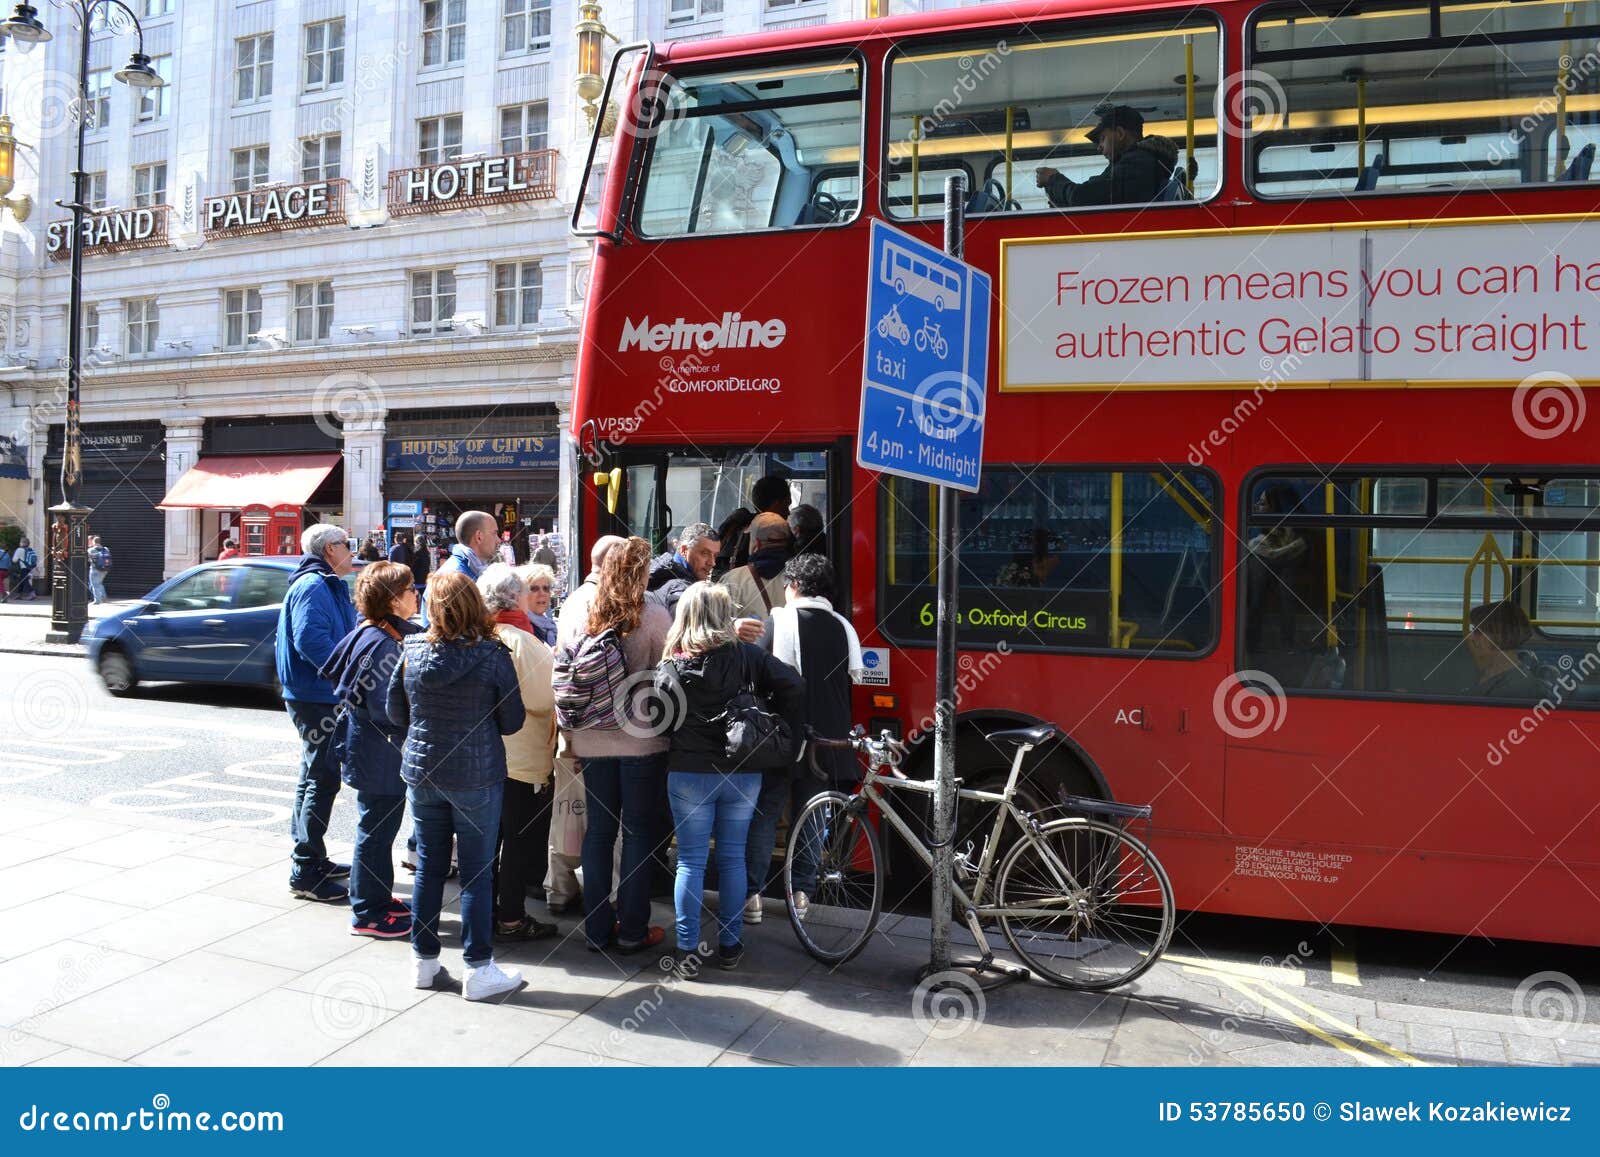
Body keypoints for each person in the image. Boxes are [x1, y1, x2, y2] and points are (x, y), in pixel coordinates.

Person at [386, 570, 527, 1000]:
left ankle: (424, 963)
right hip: (476, 777)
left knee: (430, 867)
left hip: (424, 772)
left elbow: (395, 711)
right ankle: (478, 969)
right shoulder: (492, 655)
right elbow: (513, 720)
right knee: (477, 873)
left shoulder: (410, 650)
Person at [655, 582, 804, 971]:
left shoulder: (670, 665)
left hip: (688, 772)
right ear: (726, 617)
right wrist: (768, 715)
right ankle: (730, 945)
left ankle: (687, 949)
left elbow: (659, 724)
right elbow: (794, 684)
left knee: (690, 861)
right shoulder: (749, 657)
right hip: (742, 770)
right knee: (734, 858)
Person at [559, 536, 671, 955]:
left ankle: (595, 929)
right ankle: (632, 929)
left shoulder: (581, 609)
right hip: (642, 739)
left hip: (590, 736)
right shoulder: (654, 613)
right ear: (641, 572)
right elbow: (668, 670)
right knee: (639, 832)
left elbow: (565, 668)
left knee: (599, 832)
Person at [745, 554, 864, 924]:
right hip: (827, 741)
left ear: (793, 586)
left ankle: (753, 896)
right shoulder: (845, 626)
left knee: (765, 814)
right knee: (811, 819)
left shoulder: (778, 619)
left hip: (781, 735)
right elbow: (851, 681)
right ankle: (800, 894)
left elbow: (754, 673)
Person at [319, 562, 421, 938]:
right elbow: (386, 708)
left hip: (374, 749)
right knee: (376, 831)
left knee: (378, 827)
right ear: (393, 599)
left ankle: (376, 896)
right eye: (410, 589)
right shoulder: (380, 643)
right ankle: (368, 913)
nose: (416, 594)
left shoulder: (375, 632)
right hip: (379, 752)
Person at [274, 524, 358, 902]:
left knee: (313, 775)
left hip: (318, 693)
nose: (352, 550)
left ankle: (310, 857)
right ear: (329, 549)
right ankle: (305, 869)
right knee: (322, 779)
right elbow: (310, 639)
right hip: (316, 696)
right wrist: (345, 676)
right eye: (347, 544)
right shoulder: (313, 586)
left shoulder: (326, 583)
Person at [478, 564, 559, 942]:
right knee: (516, 841)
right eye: (530, 590)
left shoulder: (477, 634)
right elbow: (547, 699)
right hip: (521, 761)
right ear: (517, 597)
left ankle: (482, 912)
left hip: (481, 758)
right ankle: (510, 916)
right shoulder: (525, 642)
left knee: (486, 841)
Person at [1035, 105, 1177, 209]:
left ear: (1120, 134)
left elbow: (1082, 197)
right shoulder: (1138, 163)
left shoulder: (1137, 164)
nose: (1099, 147)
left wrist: (1054, 179)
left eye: (1103, 138)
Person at [722, 512, 793, 638]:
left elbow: (719, 626)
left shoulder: (733, 579)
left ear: (756, 544)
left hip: (751, 656)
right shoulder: (799, 577)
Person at [1465, 601, 1551, 699]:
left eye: (1478, 632)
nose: (1471, 637)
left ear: (1500, 635)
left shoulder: (1513, 687)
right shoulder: (1492, 671)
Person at [716, 474, 792, 573]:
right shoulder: (778, 534)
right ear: (776, 505)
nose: (788, 512)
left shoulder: (736, 528)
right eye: (786, 505)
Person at [647, 522, 720, 621]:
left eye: (715, 556)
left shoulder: (660, 573)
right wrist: (731, 624)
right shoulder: (680, 588)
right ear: (684, 550)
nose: (712, 563)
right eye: (705, 553)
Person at [438, 510, 500, 582]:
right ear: (479, 537)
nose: (499, 540)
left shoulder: (470, 569)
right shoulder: (456, 578)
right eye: (494, 533)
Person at [518, 562, 559, 646]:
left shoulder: (549, 626)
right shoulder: (522, 628)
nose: (542, 593)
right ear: (521, 594)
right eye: (534, 589)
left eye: (546, 588)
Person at [11, 536, 38, 600]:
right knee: (21, 581)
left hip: (23, 568)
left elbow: (14, 560)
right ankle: (19, 595)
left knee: (24, 581)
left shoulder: (19, 549)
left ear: (22, 543)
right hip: (29, 567)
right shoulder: (30, 549)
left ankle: (32, 593)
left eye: (20, 542)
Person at [86, 535, 111, 604]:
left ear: (94, 542)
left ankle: (97, 600)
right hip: (105, 569)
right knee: (100, 583)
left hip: (95, 569)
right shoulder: (106, 549)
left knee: (95, 585)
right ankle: (104, 598)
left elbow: (89, 559)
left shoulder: (91, 550)